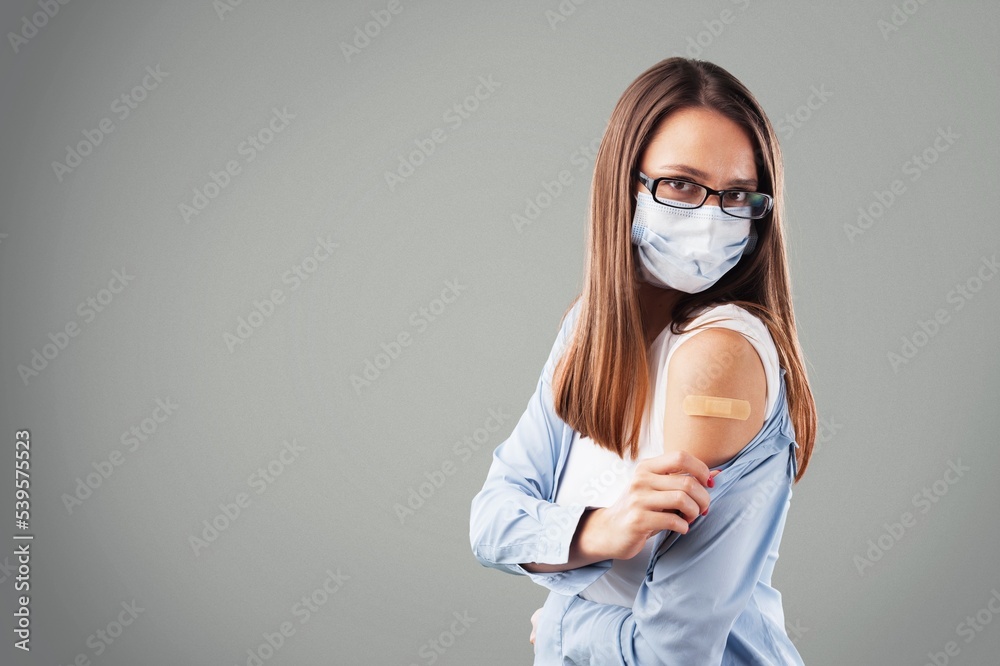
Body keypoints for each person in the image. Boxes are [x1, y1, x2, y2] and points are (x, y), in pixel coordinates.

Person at [469, 57, 817, 664]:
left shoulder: (719, 355)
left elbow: (672, 651)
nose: (711, 221)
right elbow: (492, 522)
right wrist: (602, 528)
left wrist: (561, 620)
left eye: (736, 195)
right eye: (681, 184)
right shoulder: (592, 326)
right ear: (623, 181)